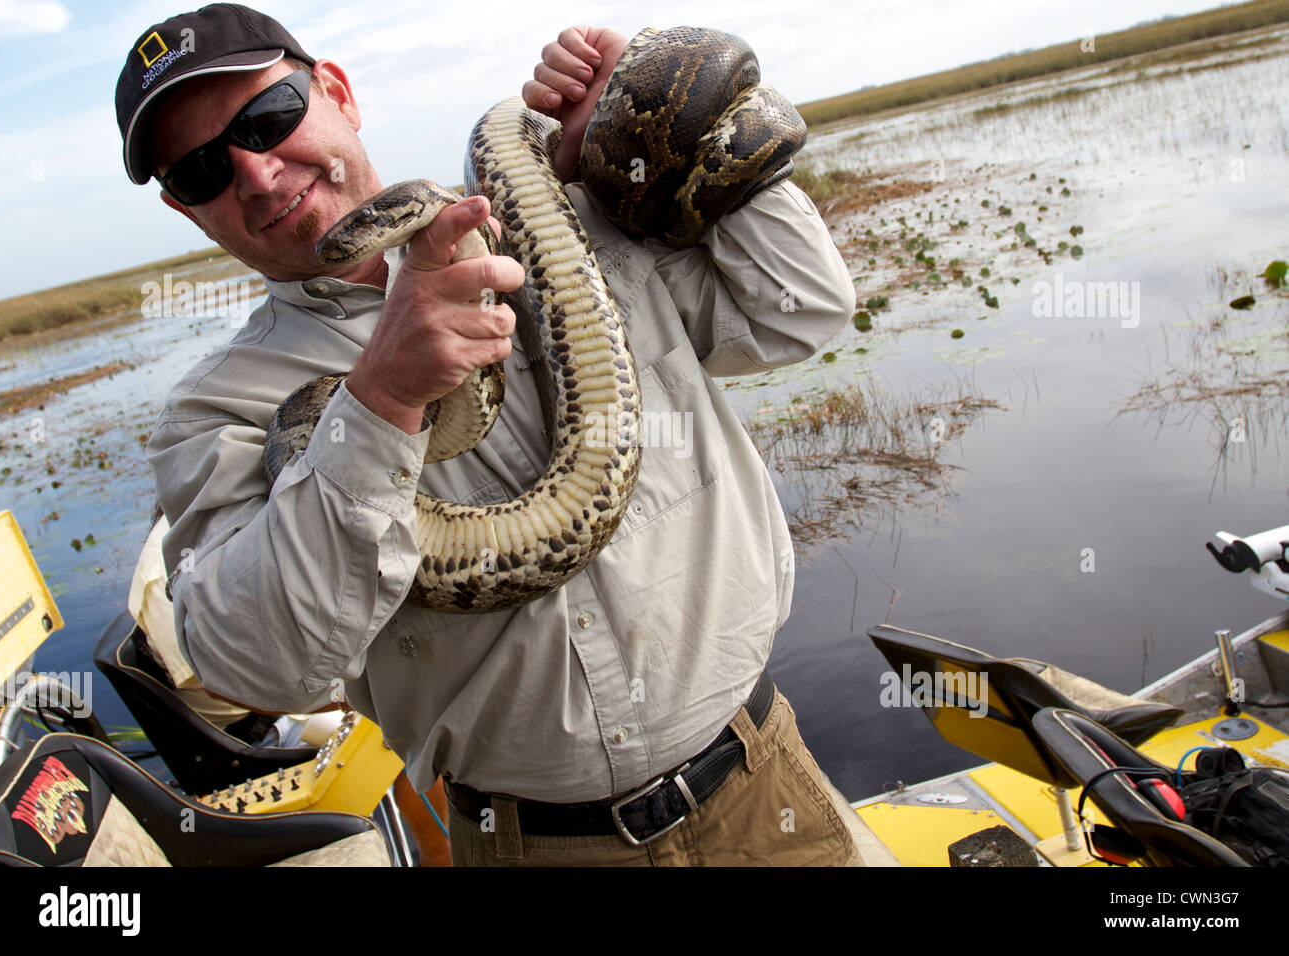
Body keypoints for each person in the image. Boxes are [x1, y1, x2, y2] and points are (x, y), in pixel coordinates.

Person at [117, 3, 861, 865]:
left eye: (269, 118)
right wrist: (381, 400)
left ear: (336, 92)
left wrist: (657, 121)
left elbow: (800, 308)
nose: (257, 172)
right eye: (206, 168)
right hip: (528, 845)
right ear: (185, 209)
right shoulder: (218, 412)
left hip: (759, 787)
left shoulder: (563, 206)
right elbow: (260, 668)